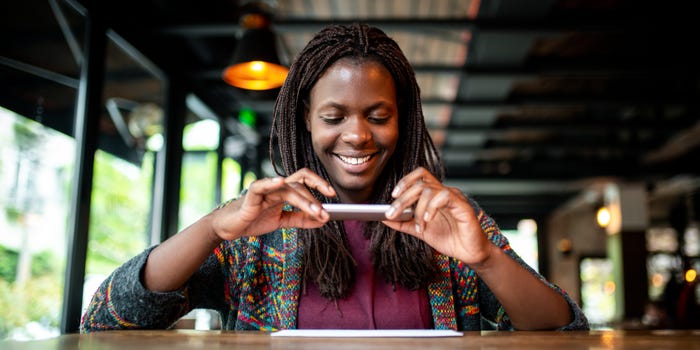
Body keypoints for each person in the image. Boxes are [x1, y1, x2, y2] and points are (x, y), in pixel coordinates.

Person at [80, 23, 588, 332]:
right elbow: (107, 319)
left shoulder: (447, 218)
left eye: (378, 115)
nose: (358, 136)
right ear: (305, 118)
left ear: (403, 119)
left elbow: (567, 330)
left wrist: (484, 257)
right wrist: (214, 227)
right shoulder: (260, 223)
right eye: (334, 117)